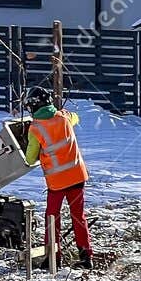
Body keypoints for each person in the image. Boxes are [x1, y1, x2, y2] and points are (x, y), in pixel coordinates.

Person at [22, 87, 94, 268]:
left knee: (52, 217)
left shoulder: (36, 128)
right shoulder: (64, 117)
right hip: (77, 176)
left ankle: (53, 257)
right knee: (78, 216)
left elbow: (30, 158)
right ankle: (86, 257)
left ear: (33, 106)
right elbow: (74, 118)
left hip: (57, 182)